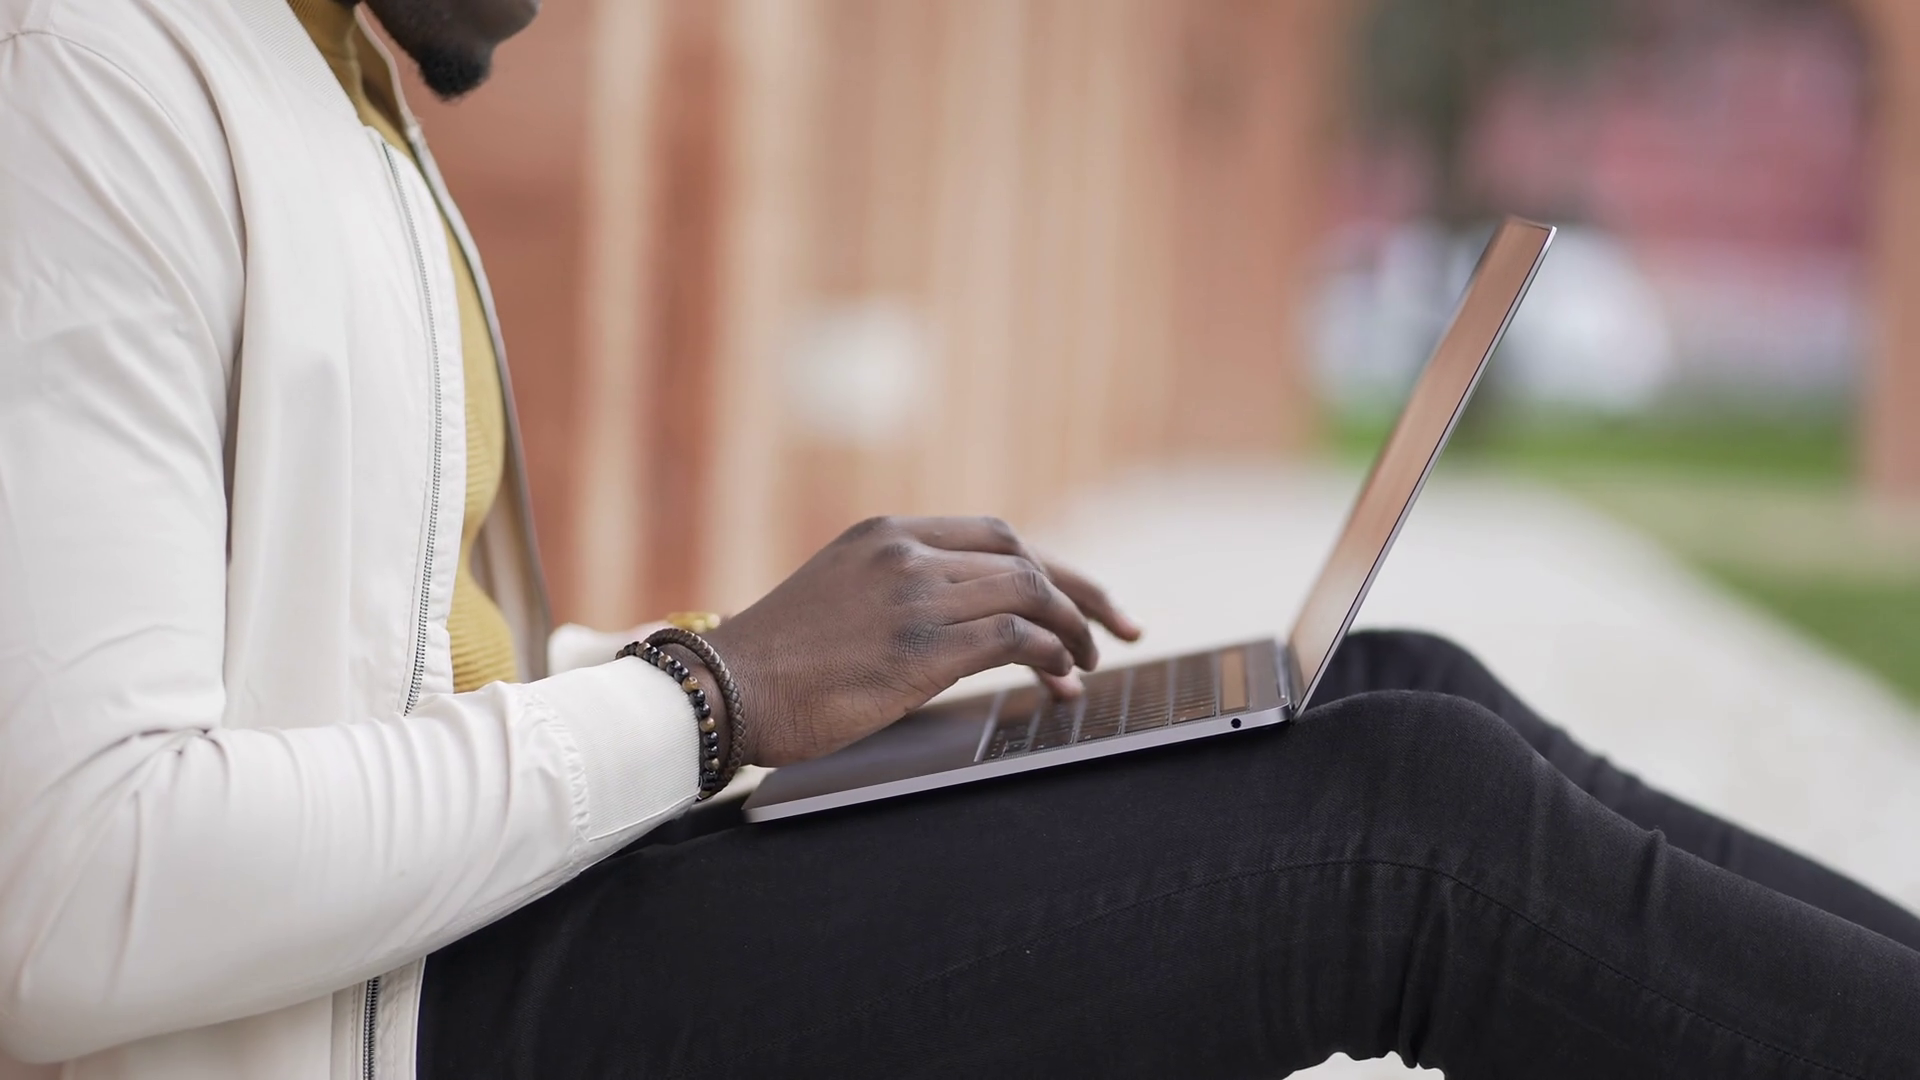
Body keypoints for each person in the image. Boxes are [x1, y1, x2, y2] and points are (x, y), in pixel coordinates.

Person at [1, 0, 1915, 1076]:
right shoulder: (87, 76)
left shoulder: (340, 97)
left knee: (1394, 697)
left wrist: (787, 703)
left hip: (462, 940)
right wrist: (711, 693)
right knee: (1399, 828)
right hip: (392, 1035)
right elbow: (70, 901)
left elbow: (383, 674)